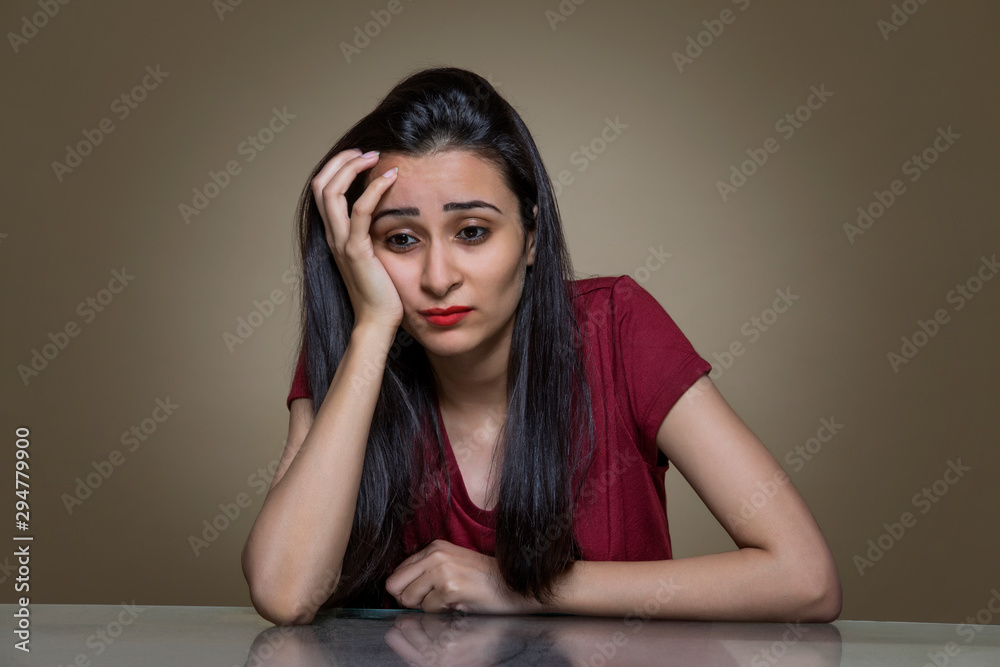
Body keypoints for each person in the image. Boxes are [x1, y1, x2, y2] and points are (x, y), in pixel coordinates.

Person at [241, 66, 842, 627]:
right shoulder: (359, 353)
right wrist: (371, 331)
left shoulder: (616, 327)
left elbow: (805, 578)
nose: (437, 275)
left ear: (530, 236)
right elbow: (285, 591)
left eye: (472, 231)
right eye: (401, 239)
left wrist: (517, 589)